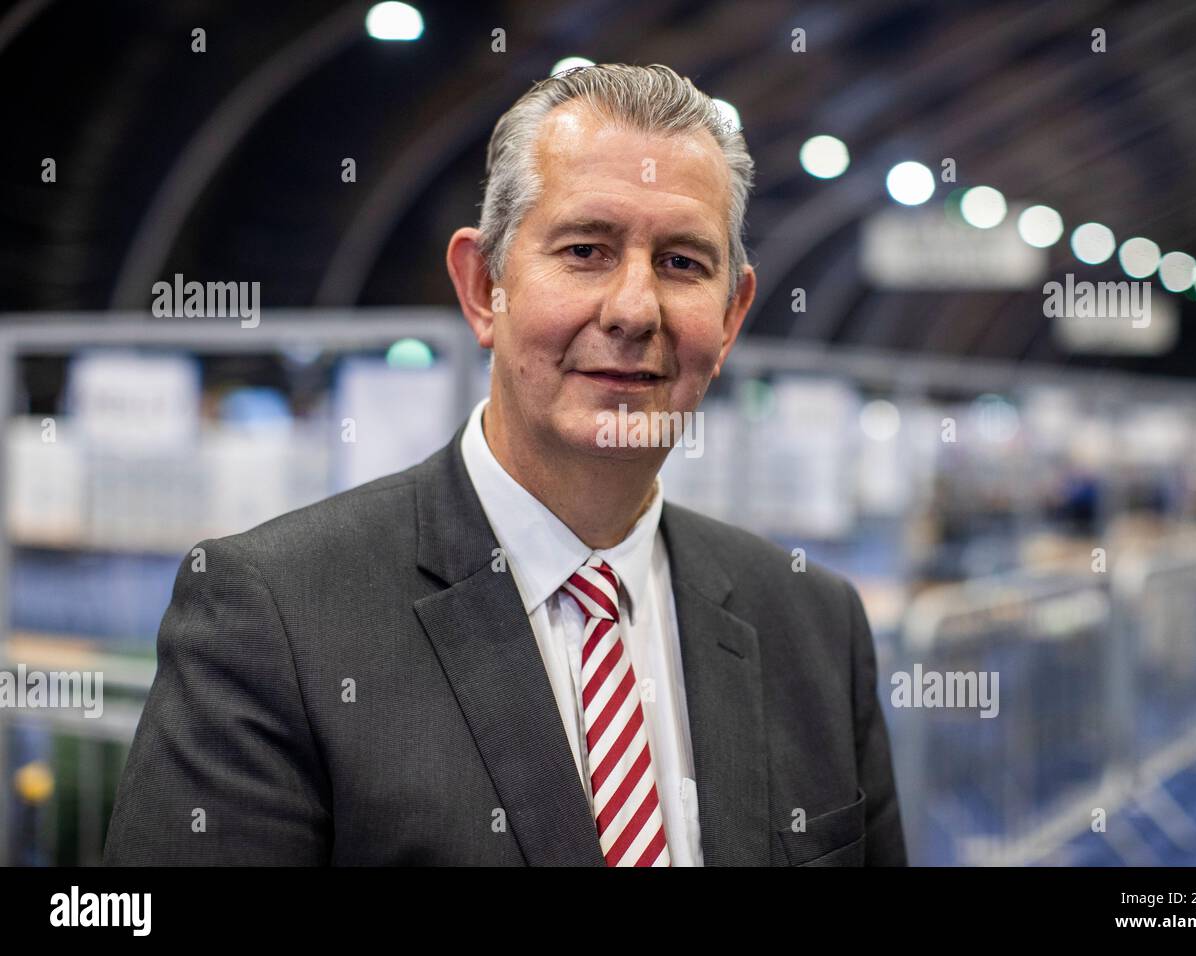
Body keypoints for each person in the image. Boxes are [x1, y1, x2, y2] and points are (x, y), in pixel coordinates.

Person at [103, 63, 906, 866]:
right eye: (587, 249)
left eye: (682, 263)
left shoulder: (813, 626)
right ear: (485, 287)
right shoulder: (274, 619)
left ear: (731, 318)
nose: (633, 310)